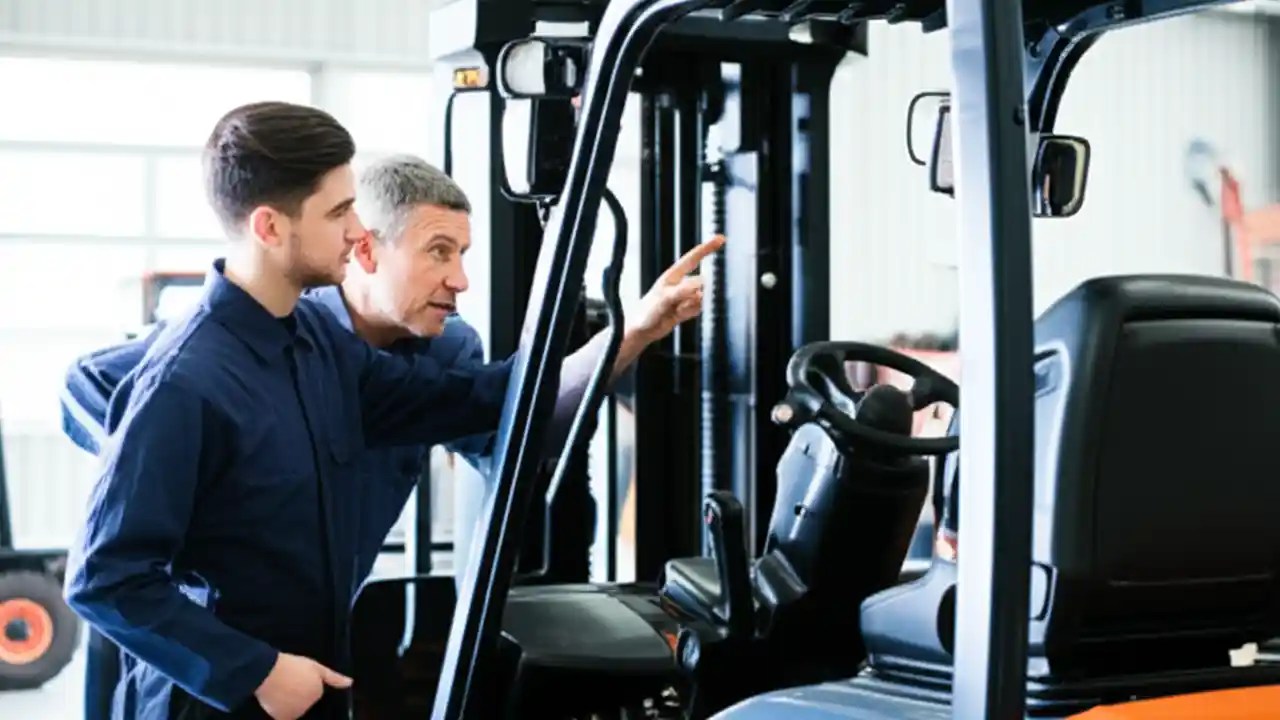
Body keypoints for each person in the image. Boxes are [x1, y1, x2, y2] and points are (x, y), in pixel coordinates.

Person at [60, 101, 721, 720]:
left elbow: (485, 404)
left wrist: (629, 330)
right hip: (215, 689)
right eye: (340, 213)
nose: (354, 233)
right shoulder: (186, 380)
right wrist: (253, 664)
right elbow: (105, 576)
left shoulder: (319, 346)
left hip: (311, 667)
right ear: (270, 226)